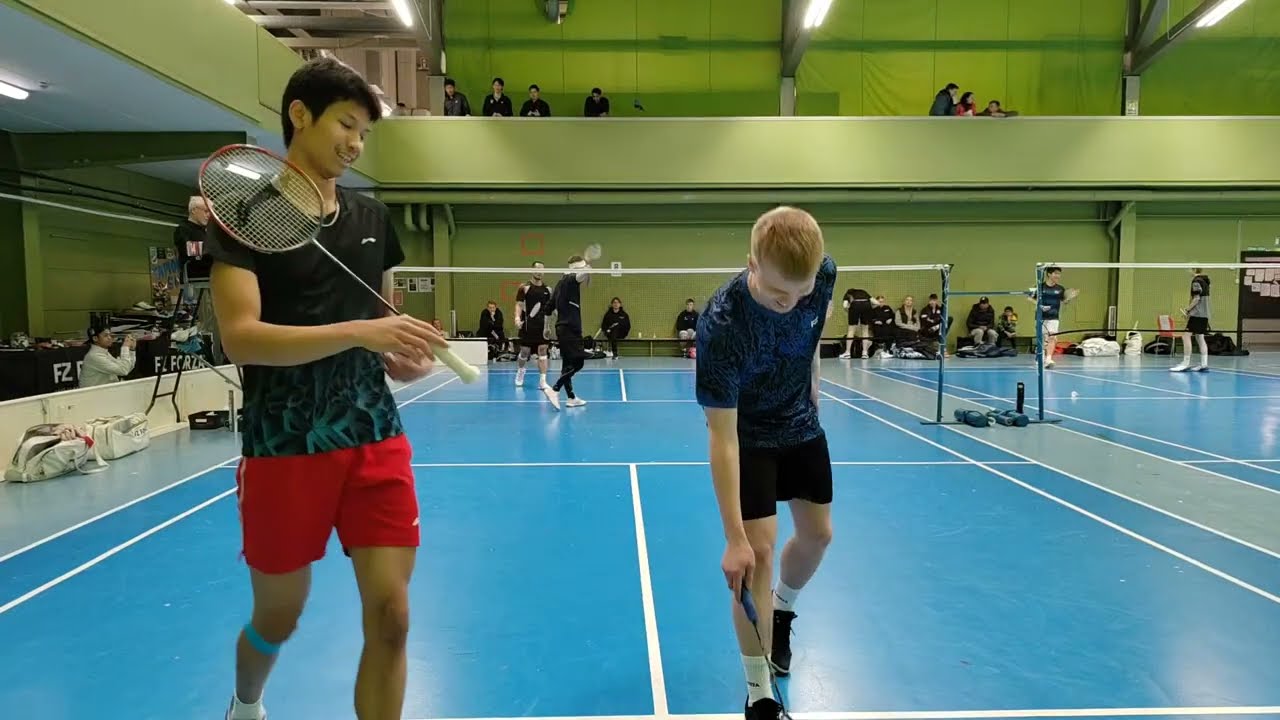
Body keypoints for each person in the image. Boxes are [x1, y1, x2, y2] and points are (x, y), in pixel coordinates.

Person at [205, 56, 446, 720]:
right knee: (278, 616)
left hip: (373, 434)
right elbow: (242, 338)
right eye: (346, 124)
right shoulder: (241, 216)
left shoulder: (371, 217)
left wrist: (401, 355)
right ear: (300, 116)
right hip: (285, 442)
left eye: (365, 133)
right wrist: (361, 334)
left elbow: (382, 325)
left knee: (393, 614)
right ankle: (247, 702)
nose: (355, 143)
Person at [696, 206, 836, 720]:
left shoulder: (820, 274)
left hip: (801, 423)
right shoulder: (722, 326)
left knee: (819, 536)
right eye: (780, 295)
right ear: (750, 264)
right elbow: (722, 438)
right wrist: (733, 538)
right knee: (756, 554)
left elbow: (813, 324)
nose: (791, 304)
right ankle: (759, 695)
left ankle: (784, 610)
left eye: (800, 294)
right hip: (749, 436)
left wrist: (814, 377)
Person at [542, 254, 592, 409]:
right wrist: (589, 268)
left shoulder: (558, 285)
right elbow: (579, 276)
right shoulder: (570, 280)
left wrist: (546, 327)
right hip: (571, 329)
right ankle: (554, 389)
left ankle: (571, 398)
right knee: (578, 362)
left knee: (567, 364)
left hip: (562, 328)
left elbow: (547, 309)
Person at [514, 261, 552, 388]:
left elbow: (550, 309)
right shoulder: (524, 287)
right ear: (532, 270)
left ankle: (543, 381)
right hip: (527, 326)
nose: (539, 272)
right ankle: (520, 371)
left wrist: (550, 325)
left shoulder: (548, 290)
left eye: (542, 269)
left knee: (542, 350)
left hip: (542, 326)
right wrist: (517, 318)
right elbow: (519, 304)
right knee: (524, 351)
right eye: (537, 269)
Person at [1033, 266, 1077, 369]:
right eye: (1055, 273)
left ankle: (1048, 359)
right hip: (1041, 316)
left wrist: (1069, 298)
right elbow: (1030, 298)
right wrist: (1039, 305)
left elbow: (1064, 301)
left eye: (1059, 274)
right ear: (1049, 274)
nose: (1058, 276)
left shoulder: (1060, 289)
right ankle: (1040, 355)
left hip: (1054, 317)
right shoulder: (1040, 287)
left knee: (1052, 337)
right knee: (1042, 338)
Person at [1173, 268, 1211, 372]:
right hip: (1205, 315)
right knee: (1200, 337)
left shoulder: (1196, 281)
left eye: (1189, 269)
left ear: (1193, 270)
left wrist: (1187, 310)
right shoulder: (1205, 282)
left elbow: (1197, 298)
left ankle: (1185, 363)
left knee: (1186, 336)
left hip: (1197, 315)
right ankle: (1204, 364)